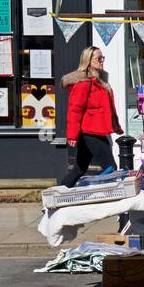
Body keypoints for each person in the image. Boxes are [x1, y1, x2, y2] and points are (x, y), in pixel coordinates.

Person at [61, 46, 123, 188]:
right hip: (90, 133)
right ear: (88, 61)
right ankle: (101, 198)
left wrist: (116, 126)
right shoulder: (84, 82)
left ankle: (55, 197)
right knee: (111, 168)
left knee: (79, 168)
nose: (102, 61)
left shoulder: (100, 81)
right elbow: (75, 110)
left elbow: (108, 109)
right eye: (98, 58)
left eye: (103, 58)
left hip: (96, 131)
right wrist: (72, 136)